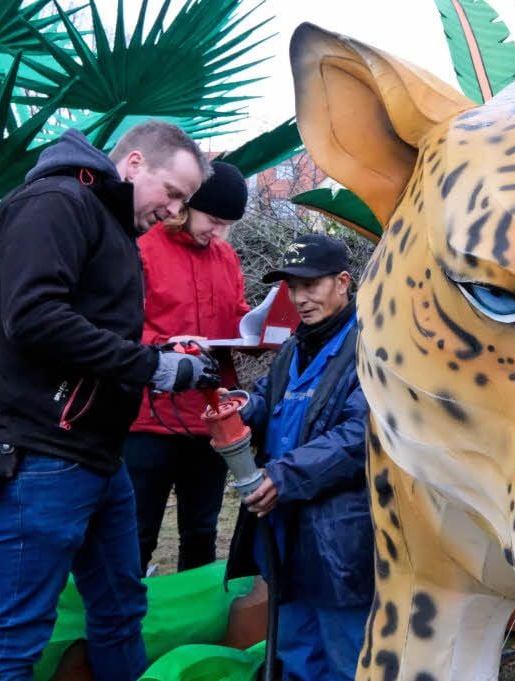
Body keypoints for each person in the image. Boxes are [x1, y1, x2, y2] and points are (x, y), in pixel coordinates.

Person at [0, 121, 221, 681]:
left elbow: (92, 331)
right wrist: (150, 366)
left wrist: (155, 354)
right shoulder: (56, 202)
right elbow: (34, 316)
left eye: (184, 201)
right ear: (133, 164)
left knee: (121, 612)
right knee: (17, 635)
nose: (174, 211)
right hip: (40, 453)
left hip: (101, 457)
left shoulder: (109, 222)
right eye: (171, 193)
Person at [225, 234, 372, 681]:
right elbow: (269, 399)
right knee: (294, 646)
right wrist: (241, 407)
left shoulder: (371, 346)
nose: (300, 298)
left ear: (342, 282)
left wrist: (285, 476)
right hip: (283, 524)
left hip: (339, 533)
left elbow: (361, 434)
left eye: (311, 285)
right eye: (292, 287)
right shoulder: (294, 346)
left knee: (347, 654)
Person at [123, 160, 251, 574]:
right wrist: (169, 346)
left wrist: (260, 330)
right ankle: (125, 611)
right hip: (148, 420)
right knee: (137, 532)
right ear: (186, 205)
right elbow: (121, 331)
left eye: (227, 226)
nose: (219, 233)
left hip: (211, 419)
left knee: (201, 530)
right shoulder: (142, 249)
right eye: (214, 221)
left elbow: (236, 318)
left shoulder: (226, 257)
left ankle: (195, 608)